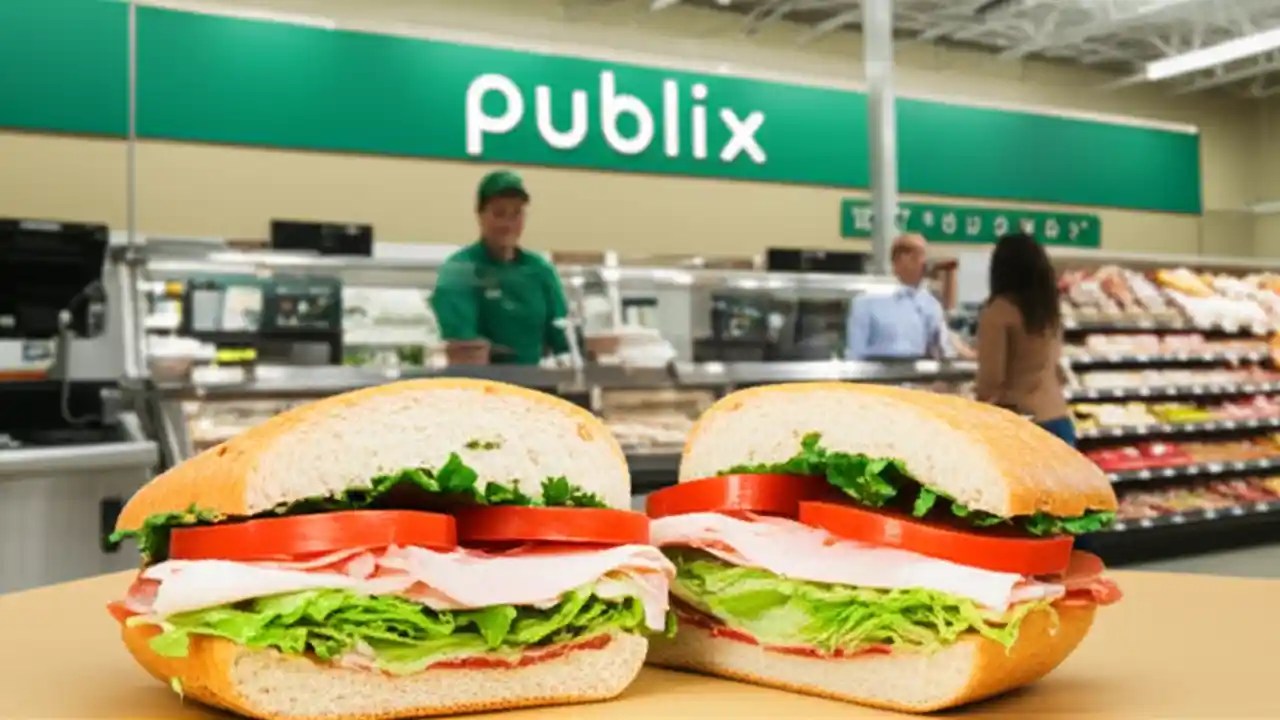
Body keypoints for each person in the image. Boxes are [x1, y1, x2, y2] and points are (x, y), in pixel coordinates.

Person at [430, 170, 570, 365]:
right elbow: (464, 345)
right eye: (499, 213)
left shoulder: (540, 270)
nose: (508, 223)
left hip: (537, 380)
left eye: (516, 214)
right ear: (480, 215)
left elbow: (562, 335)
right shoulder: (460, 270)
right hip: (482, 382)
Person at [976, 232, 1075, 445]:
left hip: (1024, 423)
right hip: (1059, 418)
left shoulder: (999, 312)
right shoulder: (1049, 310)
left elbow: (991, 380)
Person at [846, 233, 954, 360]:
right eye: (916, 257)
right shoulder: (868, 301)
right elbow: (856, 352)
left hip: (919, 369)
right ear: (899, 260)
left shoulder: (931, 304)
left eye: (924, 257)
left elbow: (942, 348)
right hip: (879, 369)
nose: (923, 263)